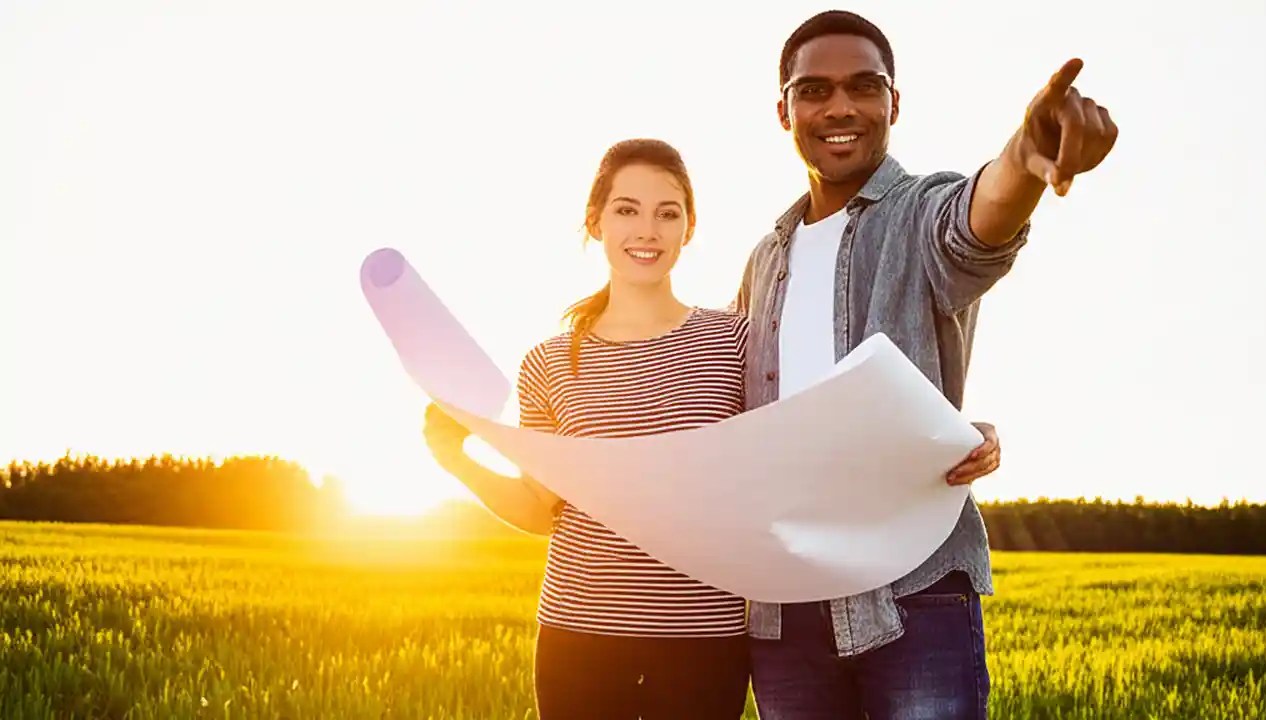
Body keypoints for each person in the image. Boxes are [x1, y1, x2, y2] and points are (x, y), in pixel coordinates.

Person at [420, 138, 1005, 719]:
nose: (646, 230)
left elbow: (825, 422)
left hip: (706, 636)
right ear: (595, 221)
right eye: (626, 209)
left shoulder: (735, 341)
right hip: (579, 634)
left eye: (666, 213)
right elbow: (537, 507)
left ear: (688, 228)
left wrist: (947, 432)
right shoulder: (548, 363)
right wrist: (459, 461)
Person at [735, 10, 1118, 720]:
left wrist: (1027, 154)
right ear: (783, 109)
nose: (840, 107)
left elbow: (978, 221)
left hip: (912, 594)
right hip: (787, 607)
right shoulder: (766, 259)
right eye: (814, 90)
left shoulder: (918, 214)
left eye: (863, 86)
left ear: (894, 103)